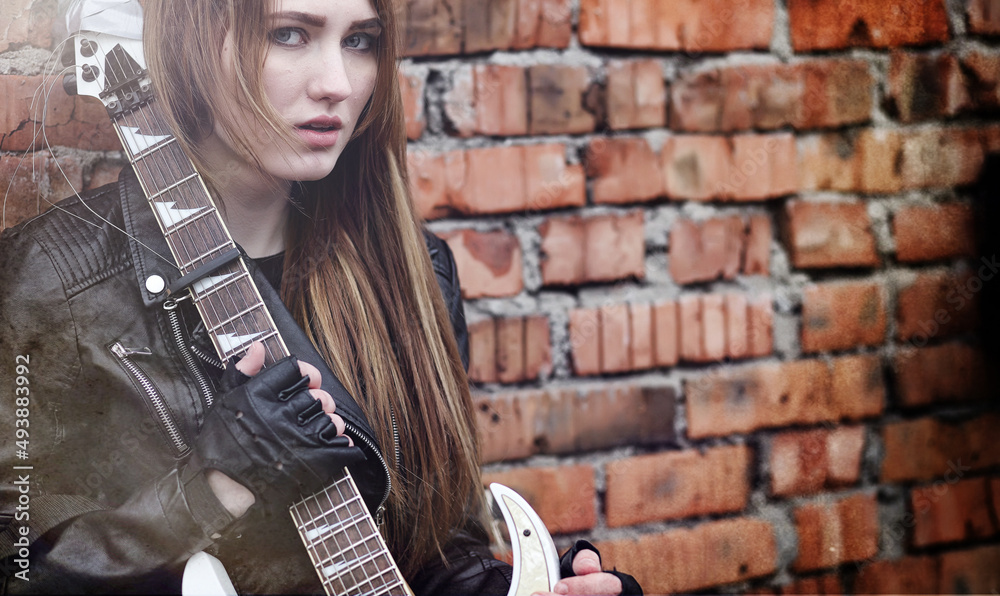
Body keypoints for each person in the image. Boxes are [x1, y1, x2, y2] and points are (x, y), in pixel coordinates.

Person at [0, 0, 642, 594]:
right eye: (289, 34)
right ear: (192, 43)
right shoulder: (46, 284)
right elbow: (18, 574)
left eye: (361, 41)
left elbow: (433, 549)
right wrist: (210, 487)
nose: (337, 82)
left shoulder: (415, 272)